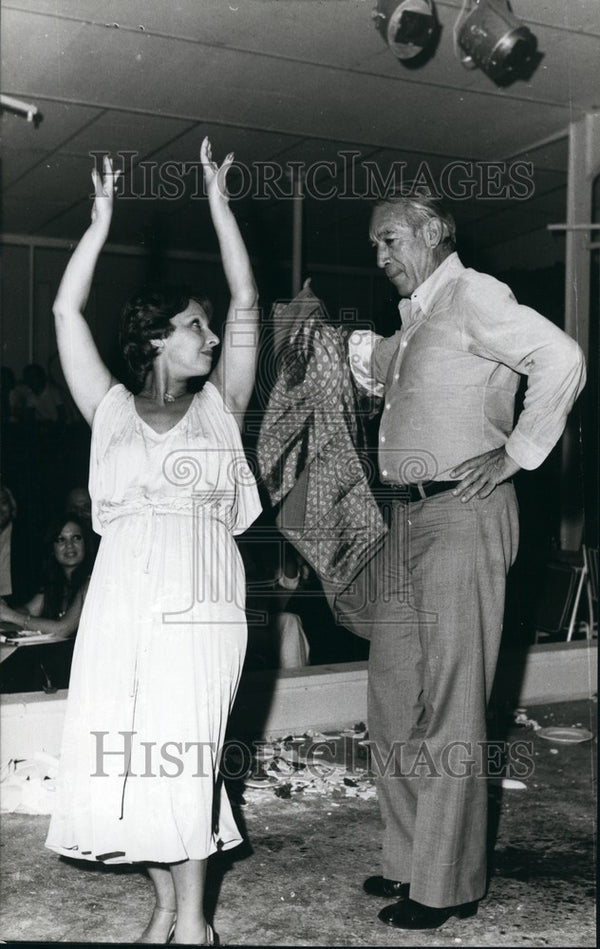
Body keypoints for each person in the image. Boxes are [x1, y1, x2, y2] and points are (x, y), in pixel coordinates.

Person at [337, 191, 586, 930]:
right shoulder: (415, 325)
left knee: (451, 702)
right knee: (391, 695)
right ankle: (412, 858)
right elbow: (366, 366)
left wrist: (516, 454)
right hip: (407, 518)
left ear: (433, 232)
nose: (380, 259)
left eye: (388, 241)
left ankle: (447, 884)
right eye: (375, 248)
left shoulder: (475, 295)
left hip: (463, 513)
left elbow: (563, 357)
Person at [44, 140, 260, 946]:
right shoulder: (108, 408)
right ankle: (166, 903)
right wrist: (99, 224)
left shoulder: (222, 407)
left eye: (206, 327)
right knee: (129, 750)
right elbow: (67, 314)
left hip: (202, 595)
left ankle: (196, 922)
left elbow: (244, 297)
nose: (208, 336)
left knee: (186, 747)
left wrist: (218, 202)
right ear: (157, 341)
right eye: (193, 327)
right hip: (122, 596)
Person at [0, 511, 95, 692]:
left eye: (76, 538)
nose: (69, 546)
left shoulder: (92, 581)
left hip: (82, 671)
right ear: (52, 547)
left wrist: (10, 615)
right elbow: (27, 610)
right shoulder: (55, 584)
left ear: (86, 543)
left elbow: (63, 629)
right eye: (60, 539)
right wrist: (4, 609)